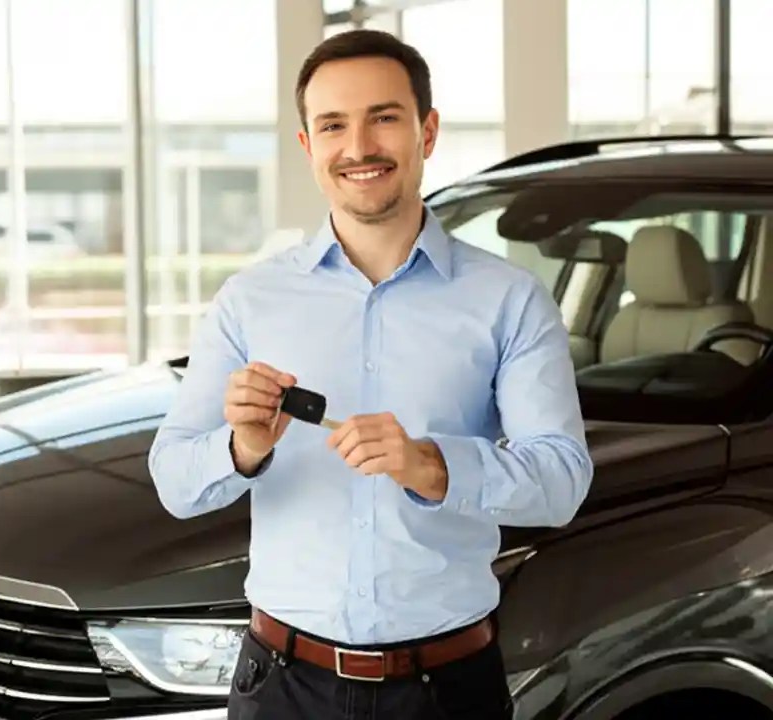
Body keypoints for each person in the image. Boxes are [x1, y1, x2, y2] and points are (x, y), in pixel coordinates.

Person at [147, 29, 594, 720]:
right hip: (281, 689)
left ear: (428, 130)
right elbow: (175, 481)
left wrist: (433, 467)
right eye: (333, 125)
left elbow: (562, 480)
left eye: (383, 117)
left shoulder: (510, 300)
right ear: (308, 147)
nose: (358, 147)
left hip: (446, 691)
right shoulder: (251, 299)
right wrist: (244, 449)